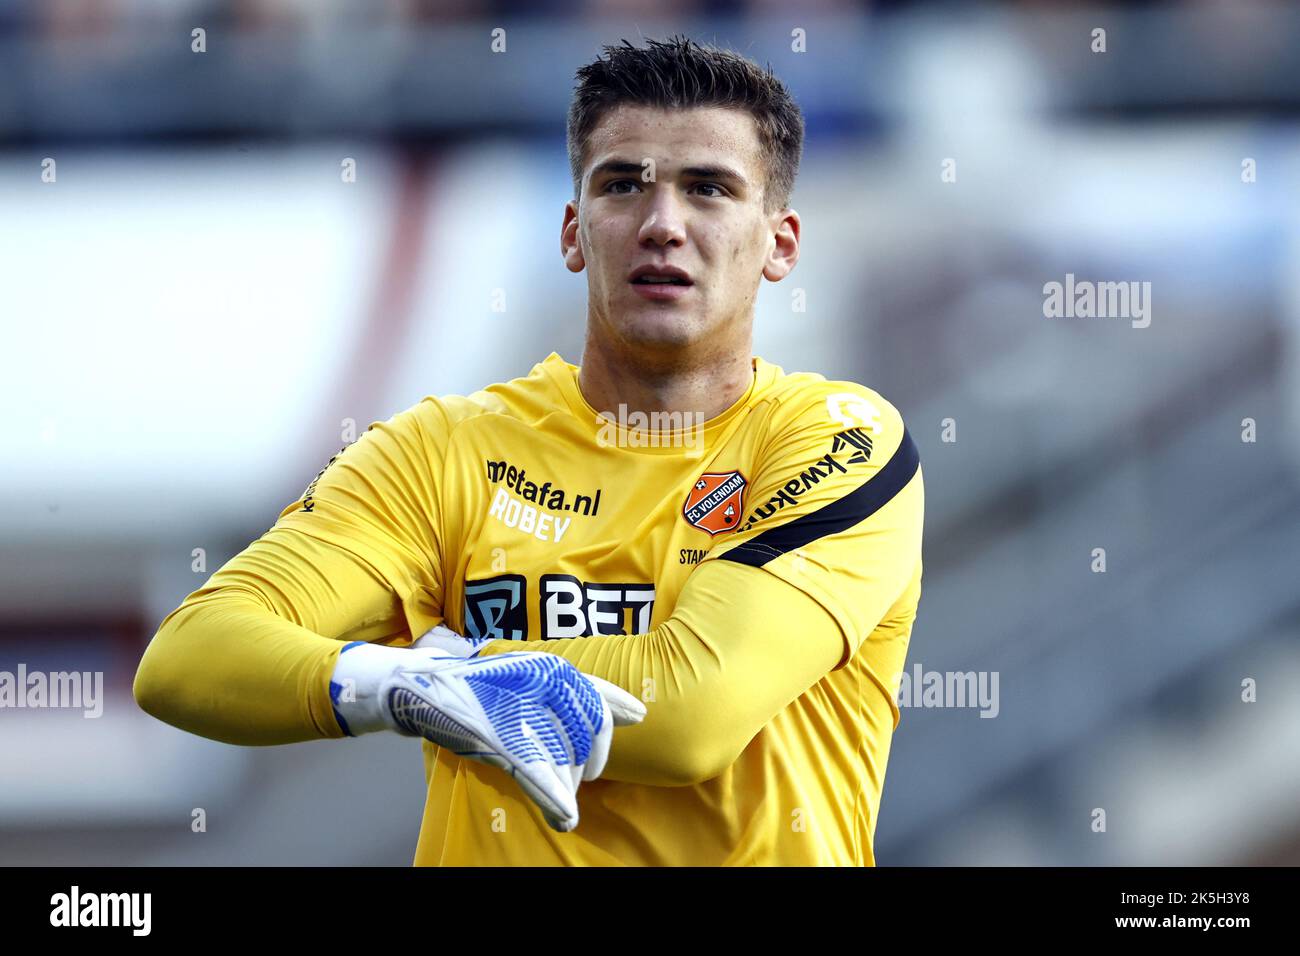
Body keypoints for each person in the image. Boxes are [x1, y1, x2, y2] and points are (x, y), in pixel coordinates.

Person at [134, 35, 924, 866]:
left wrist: (462, 671)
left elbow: (695, 711)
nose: (663, 224)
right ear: (574, 231)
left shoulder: (843, 439)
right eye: (623, 185)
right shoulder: (443, 450)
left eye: (710, 190)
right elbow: (188, 658)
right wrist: (406, 687)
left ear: (781, 244)